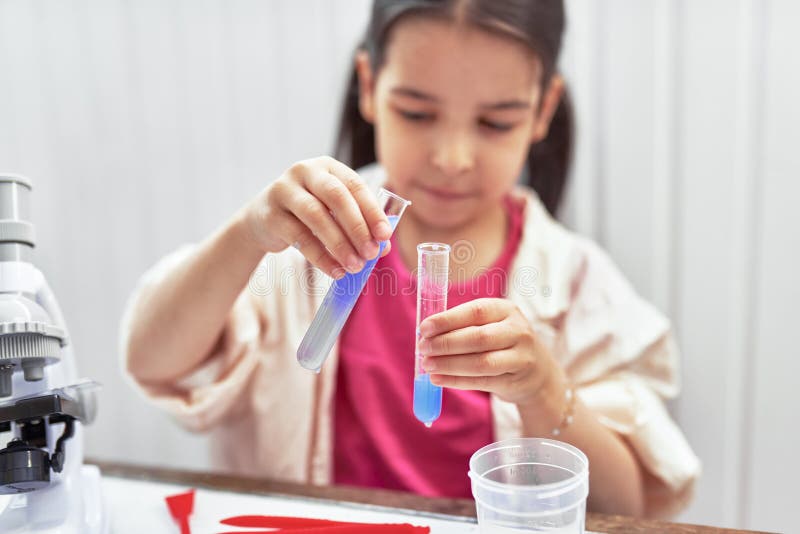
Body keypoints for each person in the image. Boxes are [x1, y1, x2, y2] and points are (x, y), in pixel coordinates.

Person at [121, 0, 699, 518]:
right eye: (417, 113)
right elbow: (155, 361)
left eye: (495, 122)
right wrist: (248, 232)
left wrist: (542, 388)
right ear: (370, 86)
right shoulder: (302, 247)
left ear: (543, 109)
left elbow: (624, 508)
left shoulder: (575, 283)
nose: (452, 158)